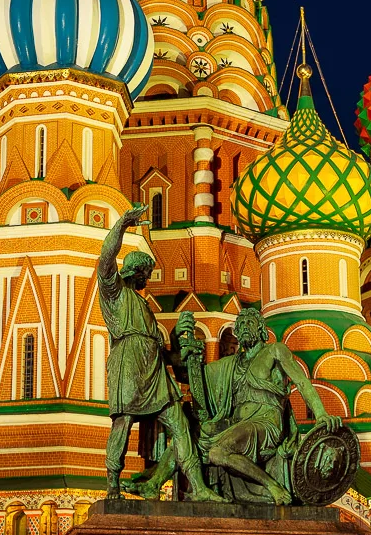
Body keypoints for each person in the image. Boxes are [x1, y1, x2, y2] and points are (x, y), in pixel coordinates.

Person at [95, 205, 225, 502]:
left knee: (179, 424)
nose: (147, 280)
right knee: (123, 422)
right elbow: (105, 259)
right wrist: (123, 225)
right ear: (134, 271)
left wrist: (184, 360)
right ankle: (113, 483)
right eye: (145, 273)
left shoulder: (144, 308)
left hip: (154, 367)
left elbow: (163, 352)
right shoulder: (114, 292)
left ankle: (199, 487)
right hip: (128, 361)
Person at [196, 305, 343, 505]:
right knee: (190, 439)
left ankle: (273, 486)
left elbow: (301, 381)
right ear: (236, 332)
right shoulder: (230, 363)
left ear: (261, 329)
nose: (245, 326)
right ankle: (157, 483)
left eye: (250, 322)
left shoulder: (275, 350)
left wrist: (321, 414)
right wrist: (185, 348)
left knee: (217, 452)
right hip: (235, 424)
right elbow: (197, 377)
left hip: (265, 423)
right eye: (241, 324)